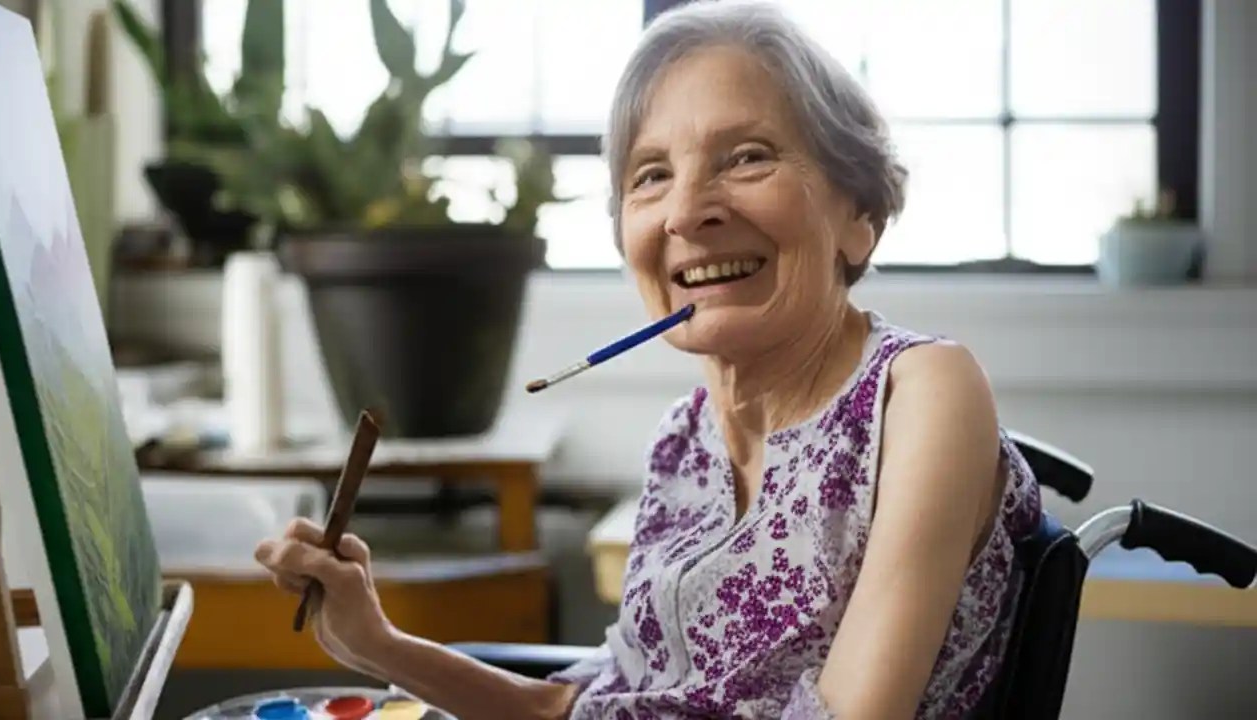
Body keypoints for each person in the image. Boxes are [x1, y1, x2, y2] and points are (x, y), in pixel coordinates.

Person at [254, 1, 1042, 717]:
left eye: (747, 157)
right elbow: (588, 706)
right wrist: (374, 644)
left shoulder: (923, 393)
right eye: (651, 175)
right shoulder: (682, 440)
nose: (688, 212)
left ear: (860, 217)